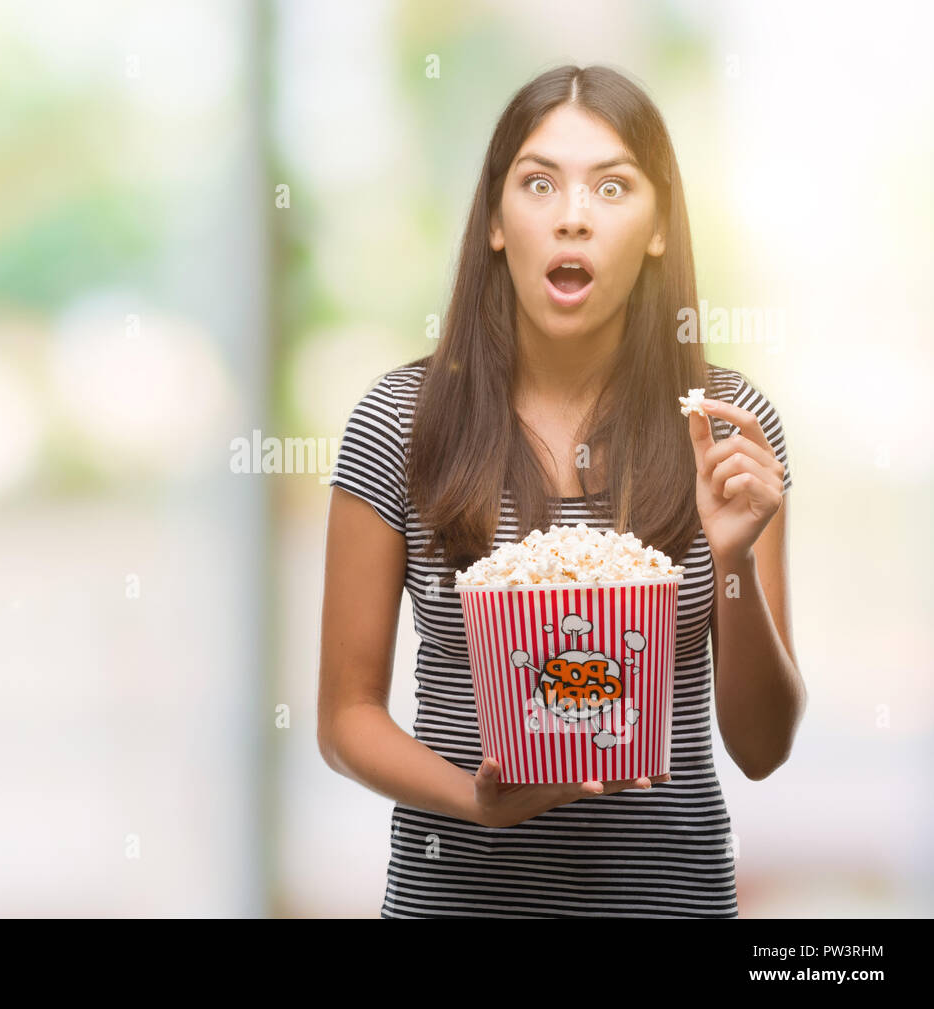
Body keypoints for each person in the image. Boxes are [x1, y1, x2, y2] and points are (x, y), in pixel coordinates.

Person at [317, 64, 805, 918]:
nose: (572, 213)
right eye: (538, 182)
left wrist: (731, 559)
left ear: (658, 227)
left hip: (669, 900)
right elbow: (345, 716)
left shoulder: (726, 431)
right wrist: (476, 798)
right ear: (498, 222)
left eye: (612, 186)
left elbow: (762, 748)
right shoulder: (399, 423)